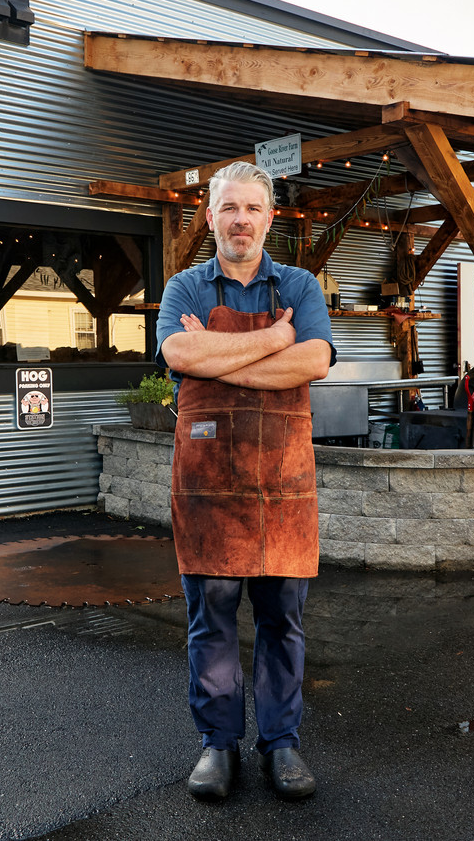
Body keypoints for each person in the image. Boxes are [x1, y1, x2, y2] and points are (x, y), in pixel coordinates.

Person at [155, 161, 335, 801]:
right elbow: (180, 354)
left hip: (283, 486)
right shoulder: (184, 288)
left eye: (252, 208)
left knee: (282, 622)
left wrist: (222, 359)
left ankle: (282, 743)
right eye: (229, 208)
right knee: (212, 622)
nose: (241, 220)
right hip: (208, 487)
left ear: (269, 217)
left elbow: (315, 360)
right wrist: (276, 338)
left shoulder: (300, 285)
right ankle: (218, 745)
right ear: (210, 216)